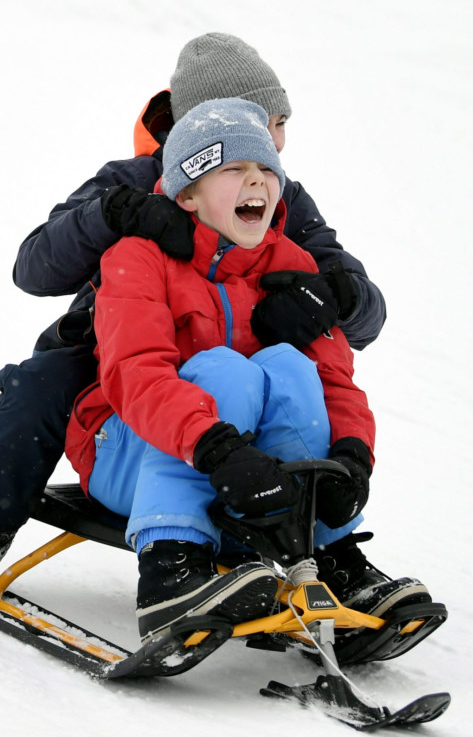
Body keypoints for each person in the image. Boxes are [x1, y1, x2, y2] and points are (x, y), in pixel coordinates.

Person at [0, 33, 402, 603]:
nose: (278, 139)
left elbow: (357, 319)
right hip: (120, 335)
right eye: (266, 119)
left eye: (278, 122)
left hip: (233, 351)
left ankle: (319, 550)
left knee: (286, 379)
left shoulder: (276, 191)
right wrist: (112, 216)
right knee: (43, 388)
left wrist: (337, 297)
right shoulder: (130, 179)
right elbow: (34, 269)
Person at [68, 97, 379, 640]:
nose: (255, 181)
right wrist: (216, 447)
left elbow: (335, 379)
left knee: (288, 366)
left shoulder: (295, 265)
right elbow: (136, 375)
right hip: (126, 454)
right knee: (224, 370)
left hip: (246, 475)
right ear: (187, 193)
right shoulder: (138, 257)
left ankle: (331, 554)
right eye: (233, 169)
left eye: (266, 171)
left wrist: (352, 457)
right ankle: (172, 566)